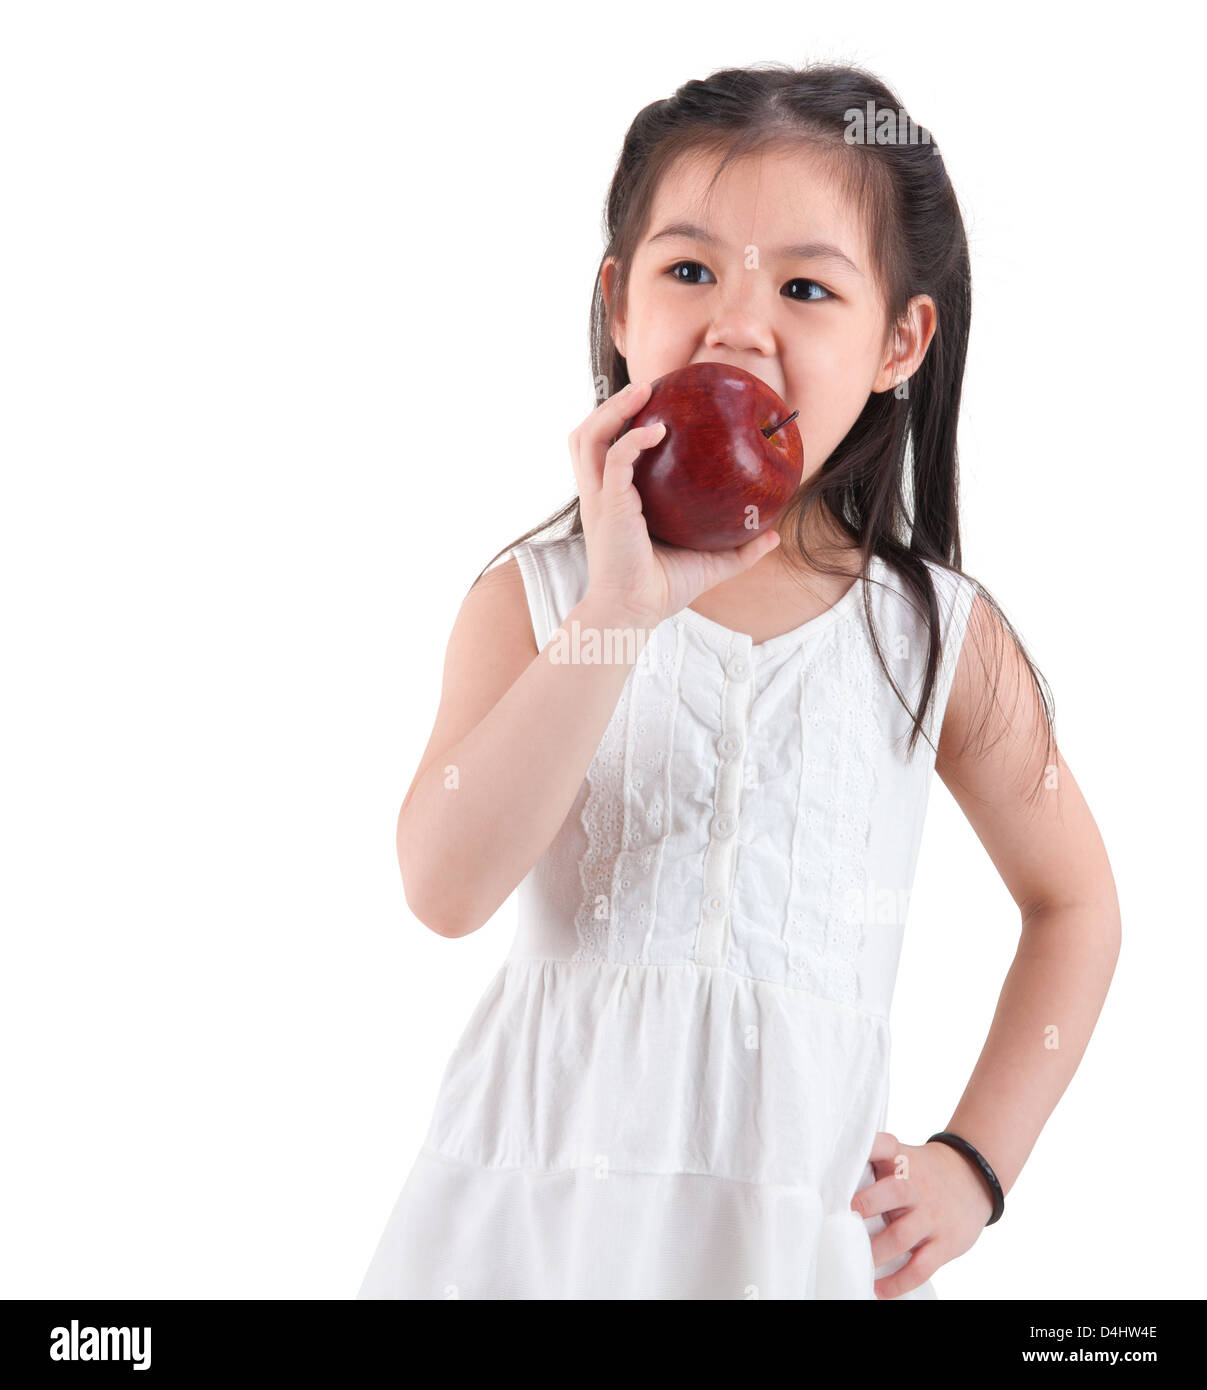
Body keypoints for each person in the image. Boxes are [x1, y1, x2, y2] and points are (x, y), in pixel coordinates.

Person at [357, 61, 1120, 1300]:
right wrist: (618, 613)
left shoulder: (934, 636)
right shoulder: (538, 601)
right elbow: (443, 887)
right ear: (618, 304)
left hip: (779, 1254)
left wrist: (974, 1165)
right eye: (690, 269)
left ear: (897, 341)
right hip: (522, 1236)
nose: (737, 326)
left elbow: (1075, 905)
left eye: (808, 286)